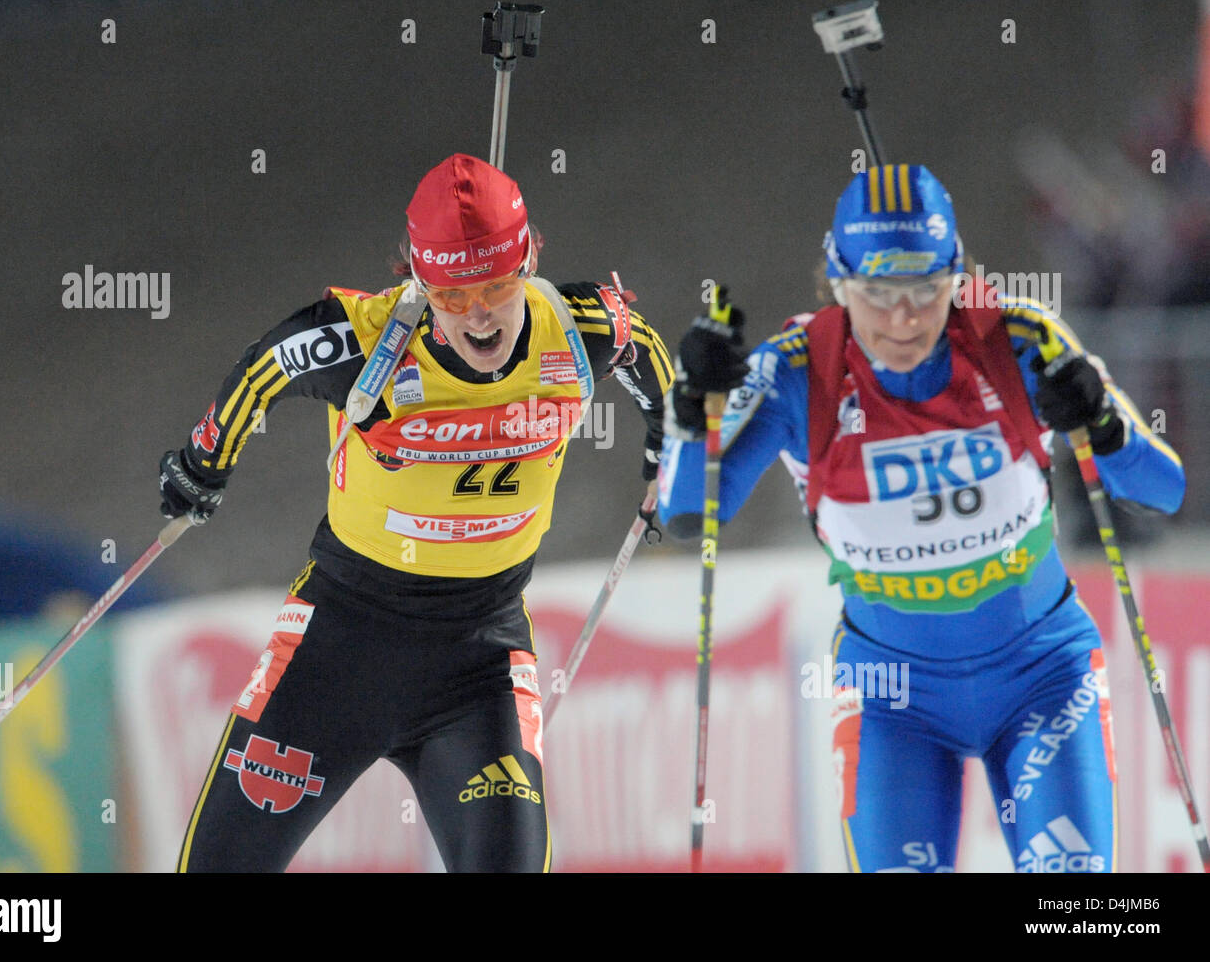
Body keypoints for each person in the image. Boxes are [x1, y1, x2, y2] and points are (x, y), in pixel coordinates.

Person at [658, 163, 1185, 873]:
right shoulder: (795, 372)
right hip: (893, 700)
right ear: (839, 282)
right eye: (877, 293)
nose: (902, 318)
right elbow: (688, 512)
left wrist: (1101, 421)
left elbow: (1164, 490)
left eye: (925, 291)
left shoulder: (1021, 343)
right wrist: (694, 409)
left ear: (956, 277)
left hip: (1042, 675)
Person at [163, 153, 672, 872]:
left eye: (498, 286)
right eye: (453, 296)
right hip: (337, 652)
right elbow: (266, 365)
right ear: (416, 279)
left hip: (480, 662)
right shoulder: (366, 342)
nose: (481, 315)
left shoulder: (582, 328)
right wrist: (201, 463)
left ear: (532, 259)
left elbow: (650, 361)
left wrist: (668, 456)